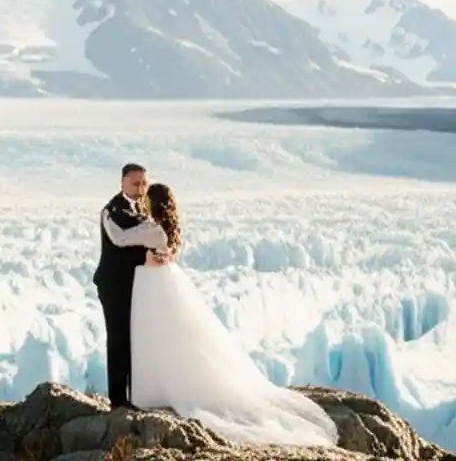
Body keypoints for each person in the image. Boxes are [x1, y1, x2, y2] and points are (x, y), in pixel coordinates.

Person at [127, 182, 339, 447]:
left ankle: (153, 389)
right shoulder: (162, 228)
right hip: (159, 282)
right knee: (167, 334)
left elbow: (152, 255)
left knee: (156, 332)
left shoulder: (154, 230)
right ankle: (157, 386)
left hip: (153, 282)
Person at [92, 162, 170, 409]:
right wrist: (151, 240)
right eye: (135, 183)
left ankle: (133, 395)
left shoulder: (138, 211)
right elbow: (123, 238)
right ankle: (118, 399)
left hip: (133, 284)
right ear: (122, 183)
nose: (140, 188)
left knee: (133, 339)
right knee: (118, 338)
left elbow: (155, 237)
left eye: (144, 183)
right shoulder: (113, 210)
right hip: (114, 285)